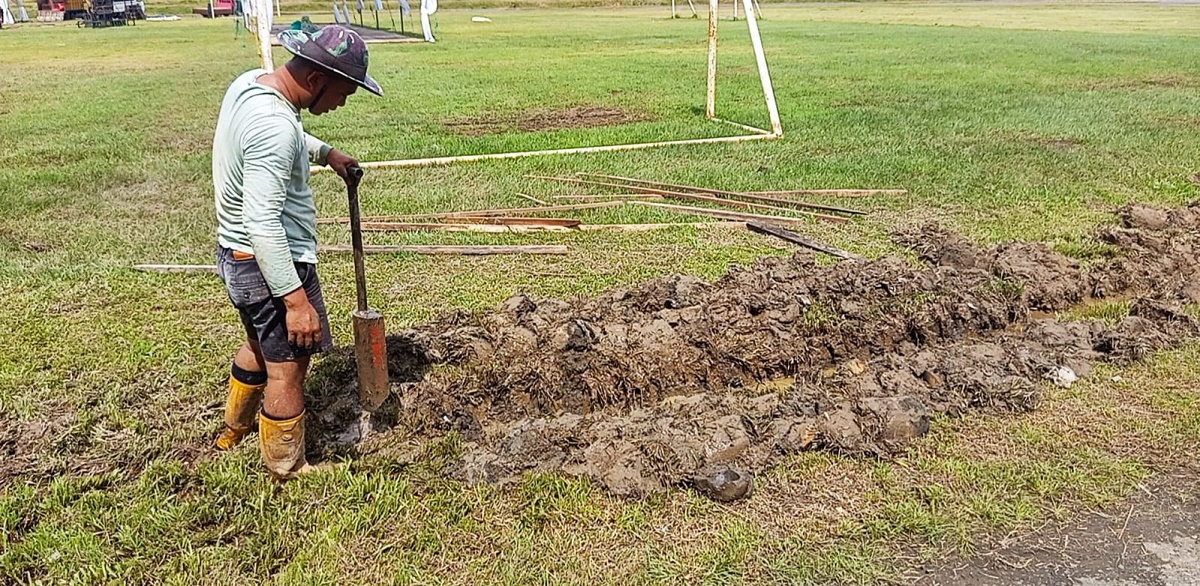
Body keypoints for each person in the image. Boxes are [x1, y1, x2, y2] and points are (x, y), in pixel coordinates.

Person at [211, 25, 382, 480]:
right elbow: (263, 221)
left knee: (258, 344)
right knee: (287, 369)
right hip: (270, 263)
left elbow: (279, 141)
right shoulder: (276, 128)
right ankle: (286, 467)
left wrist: (325, 152)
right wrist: (295, 300)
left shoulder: (252, 86)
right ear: (316, 79)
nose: (343, 102)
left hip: (237, 258)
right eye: (344, 91)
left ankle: (234, 428)